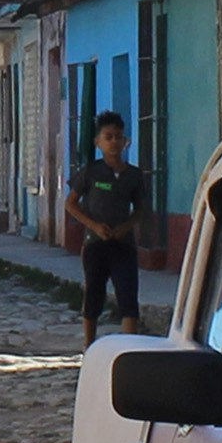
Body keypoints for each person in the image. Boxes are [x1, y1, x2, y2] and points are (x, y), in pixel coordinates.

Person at [66, 110, 148, 340]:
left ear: (125, 141)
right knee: (94, 295)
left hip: (124, 245)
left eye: (118, 137)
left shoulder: (133, 175)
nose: (114, 142)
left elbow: (140, 209)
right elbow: (71, 204)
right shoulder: (91, 172)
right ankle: (89, 345)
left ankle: (129, 347)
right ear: (98, 142)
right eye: (108, 137)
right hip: (95, 245)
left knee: (128, 296)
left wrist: (126, 226)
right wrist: (93, 226)